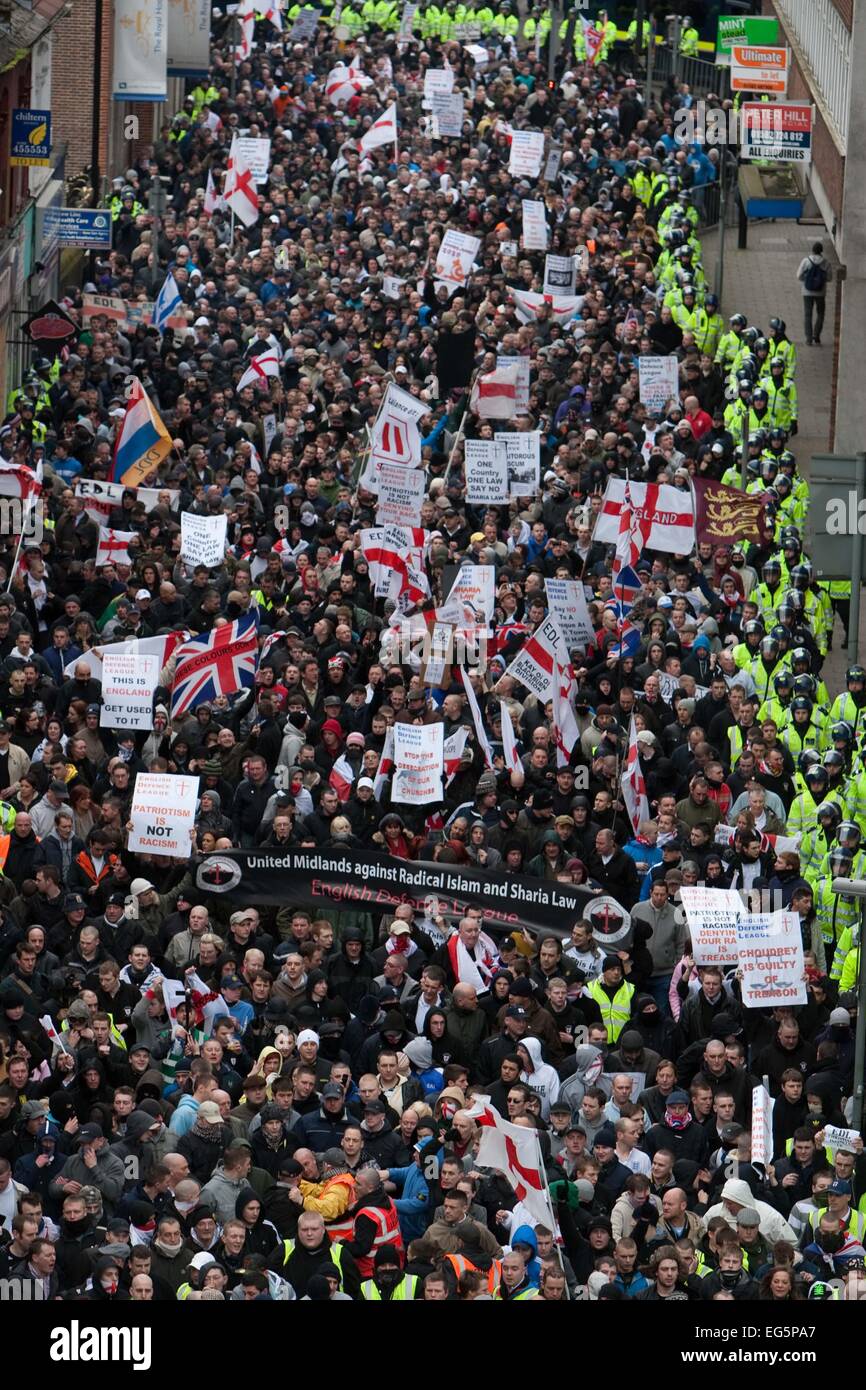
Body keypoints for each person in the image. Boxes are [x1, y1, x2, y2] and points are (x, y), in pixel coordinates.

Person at [797, 241, 833, 346]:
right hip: (820, 292)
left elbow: (799, 275)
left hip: (807, 292)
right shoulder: (826, 263)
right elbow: (830, 278)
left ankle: (808, 339)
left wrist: (807, 279)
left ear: (812, 250)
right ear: (821, 251)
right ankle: (816, 336)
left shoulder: (806, 261)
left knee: (808, 314)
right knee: (820, 314)